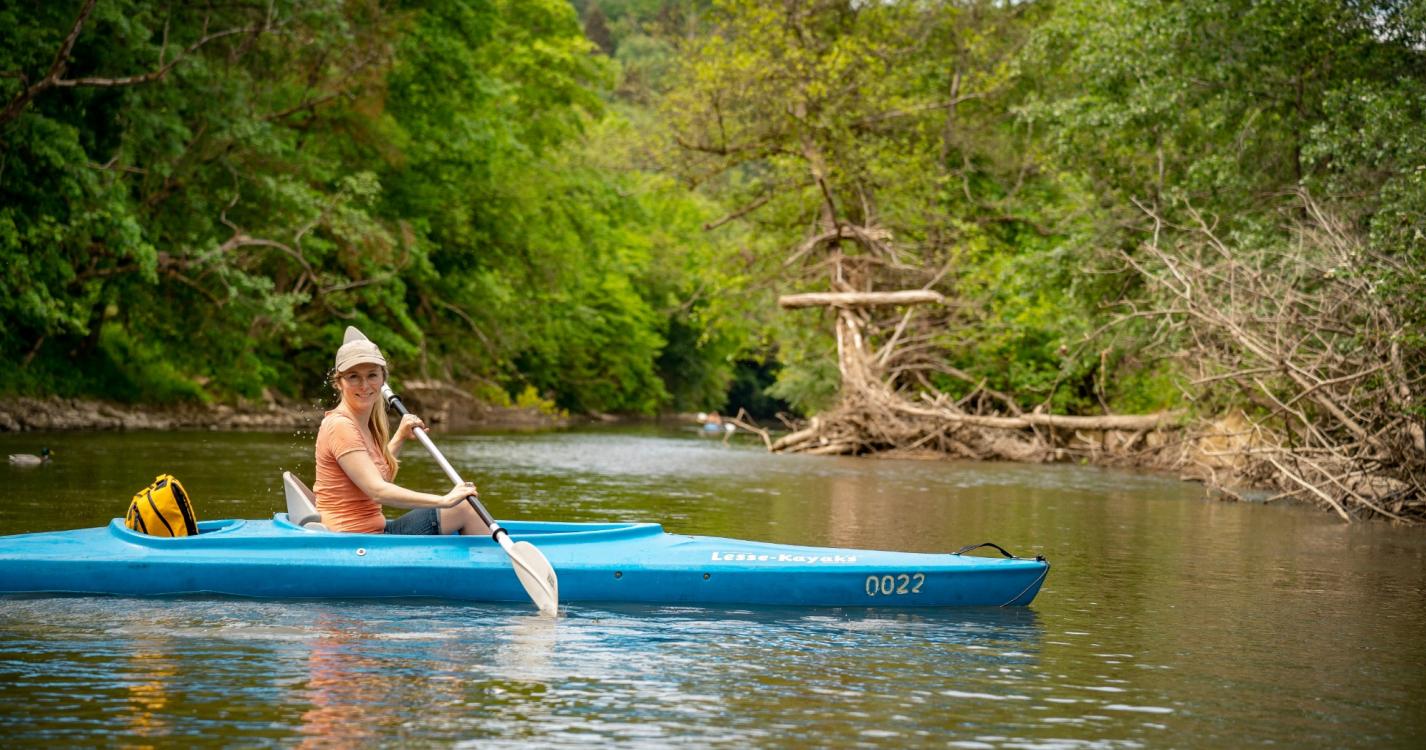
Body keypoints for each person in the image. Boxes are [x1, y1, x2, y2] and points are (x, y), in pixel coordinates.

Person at [314, 327, 489, 535]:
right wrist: (445, 500)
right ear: (339, 383)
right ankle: (489, 565)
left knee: (466, 506)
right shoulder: (341, 426)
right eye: (353, 377)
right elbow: (377, 490)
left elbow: (379, 476)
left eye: (372, 375)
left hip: (373, 530)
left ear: (382, 379)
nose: (364, 385)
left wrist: (400, 437)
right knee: (466, 507)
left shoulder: (361, 424)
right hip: (355, 540)